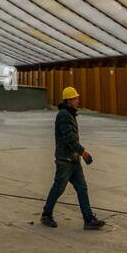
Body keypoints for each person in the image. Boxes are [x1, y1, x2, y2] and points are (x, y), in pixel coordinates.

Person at [41, 87, 105, 230]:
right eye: (75, 98)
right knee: (58, 189)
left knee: (82, 189)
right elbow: (68, 138)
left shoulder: (70, 114)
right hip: (65, 160)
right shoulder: (64, 115)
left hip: (73, 160)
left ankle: (88, 220)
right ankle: (46, 215)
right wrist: (82, 152)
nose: (78, 100)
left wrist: (78, 154)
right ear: (69, 101)